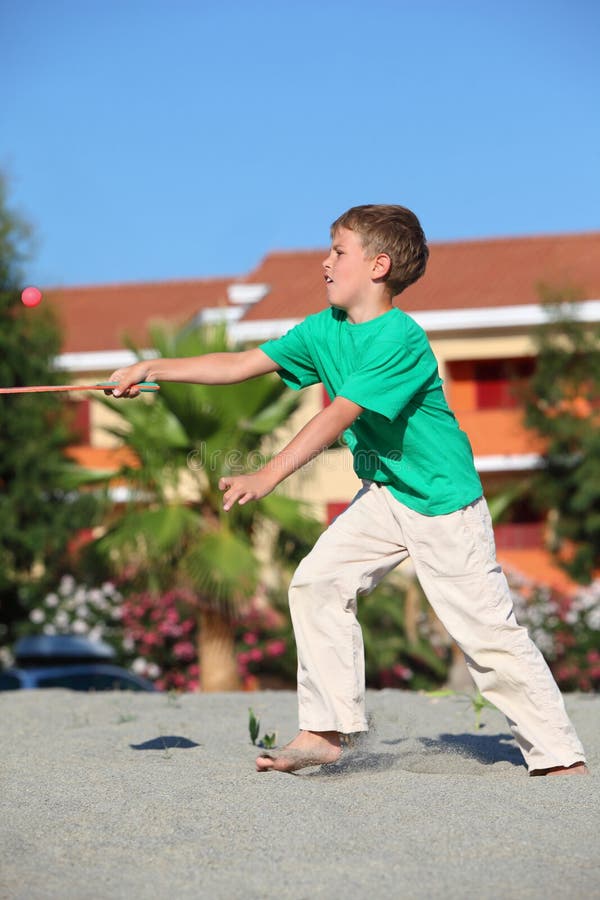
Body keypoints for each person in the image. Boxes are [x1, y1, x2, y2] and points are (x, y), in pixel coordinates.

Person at [108, 204, 588, 777]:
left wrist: (268, 474)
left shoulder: (399, 339)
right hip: (385, 493)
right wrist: (153, 369)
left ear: (378, 265)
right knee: (315, 582)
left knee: (485, 634)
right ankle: (325, 732)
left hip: (443, 502)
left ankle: (560, 760)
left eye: (338, 251)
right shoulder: (324, 329)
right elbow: (239, 364)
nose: (325, 261)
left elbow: (338, 416)